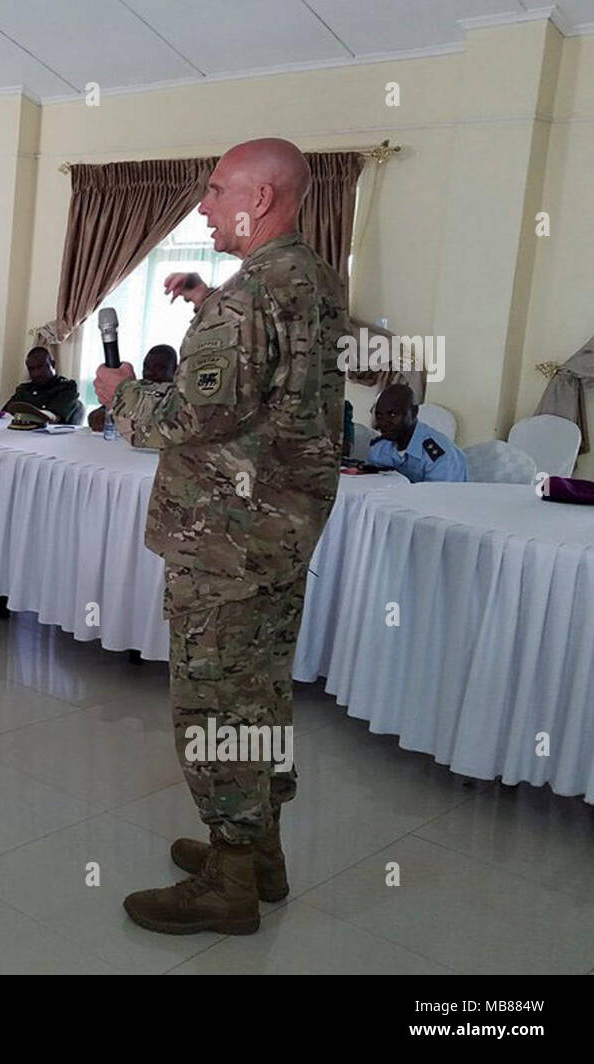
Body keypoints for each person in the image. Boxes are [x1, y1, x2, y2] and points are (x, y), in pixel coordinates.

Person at [95, 138, 348, 935]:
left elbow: (191, 417)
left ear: (261, 198)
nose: (203, 206)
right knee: (261, 694)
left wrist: (123, 392)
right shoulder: (309, 276)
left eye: (213, 190)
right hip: (281, 533)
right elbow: (274, 375)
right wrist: (212, 304)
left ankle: (230, 882)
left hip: (226, 543)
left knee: (214, 707)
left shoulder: (249, 301)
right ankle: (259, 850)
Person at [367, 383, 467, 482]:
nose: (384, 423)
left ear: (414, 412)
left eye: (393, 415)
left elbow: (443, 496)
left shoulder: (440, 457)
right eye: (379, 416)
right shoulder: (380, 447)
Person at [89, 344, 176, 433]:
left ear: (176, 370)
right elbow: (98, 413)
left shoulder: (180, 397)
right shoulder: (137, 390)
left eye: (159, 368)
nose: (150, 372)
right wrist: (102, 415)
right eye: (146, 367)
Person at [2, 347, 80, 424]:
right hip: (21, 433)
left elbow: (57, 417)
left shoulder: (66, 387)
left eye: (40, 367)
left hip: (52, 434)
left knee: (52, 416)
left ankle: (43, 415)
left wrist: (42, 415)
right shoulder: (24, 389)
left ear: (52, 364)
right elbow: (6, 413)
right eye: (31, 369)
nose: (36, 373)